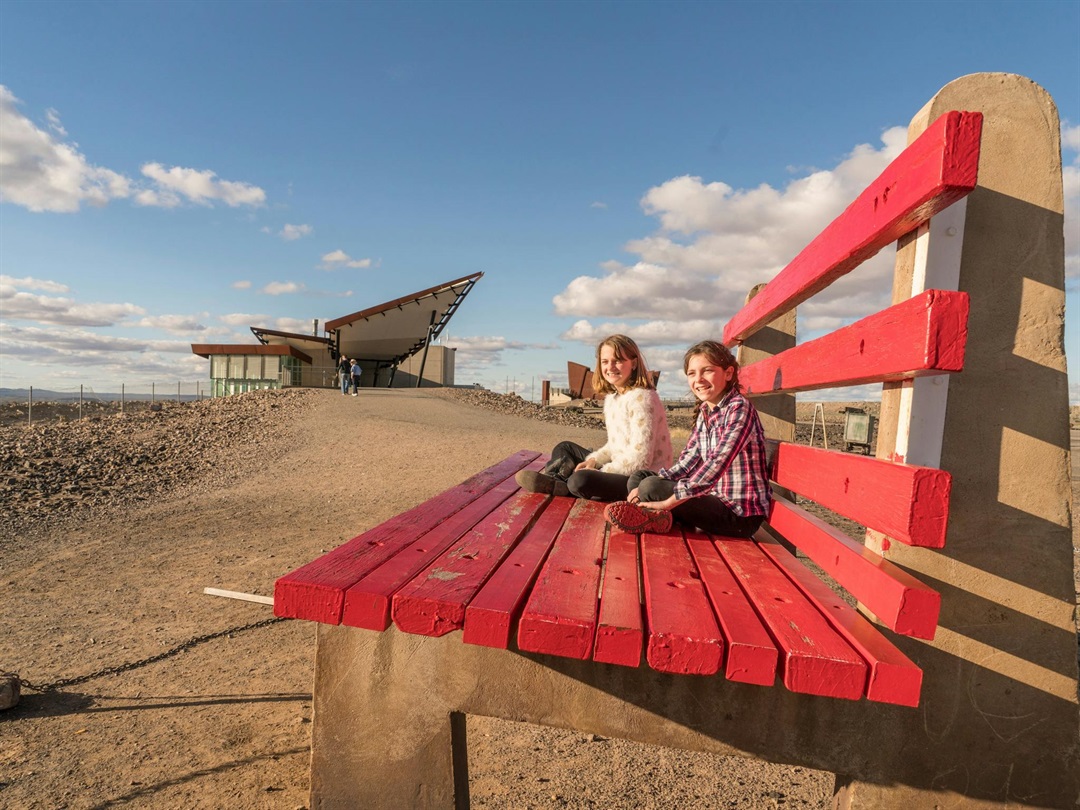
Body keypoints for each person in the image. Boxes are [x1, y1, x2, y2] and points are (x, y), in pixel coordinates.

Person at [605, 340, 771, 537]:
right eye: (692, 373)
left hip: (739, 514)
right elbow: (687, 462)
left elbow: (717, 464)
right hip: (712, 498)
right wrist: (654, 482)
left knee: (651, 486)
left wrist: (668, 501)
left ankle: (655, 513)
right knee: (641, 478)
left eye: (707, 371)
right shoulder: (705, 411)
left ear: (728, 373)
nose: (698, 379)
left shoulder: (739, 408)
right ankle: (655, 516)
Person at [516, 334, 672, 501]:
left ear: (633, 363)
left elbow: (640, 460)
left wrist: (600, 471)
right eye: (605, 361)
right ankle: (557, 481)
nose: (610, 367)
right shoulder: (613, 398)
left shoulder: (643, 398)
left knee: (580, 480)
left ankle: (565, 483)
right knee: (565, 448)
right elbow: (614, 446)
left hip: (640, 479)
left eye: (617, 360)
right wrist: (594, 461)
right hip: (620, 466)